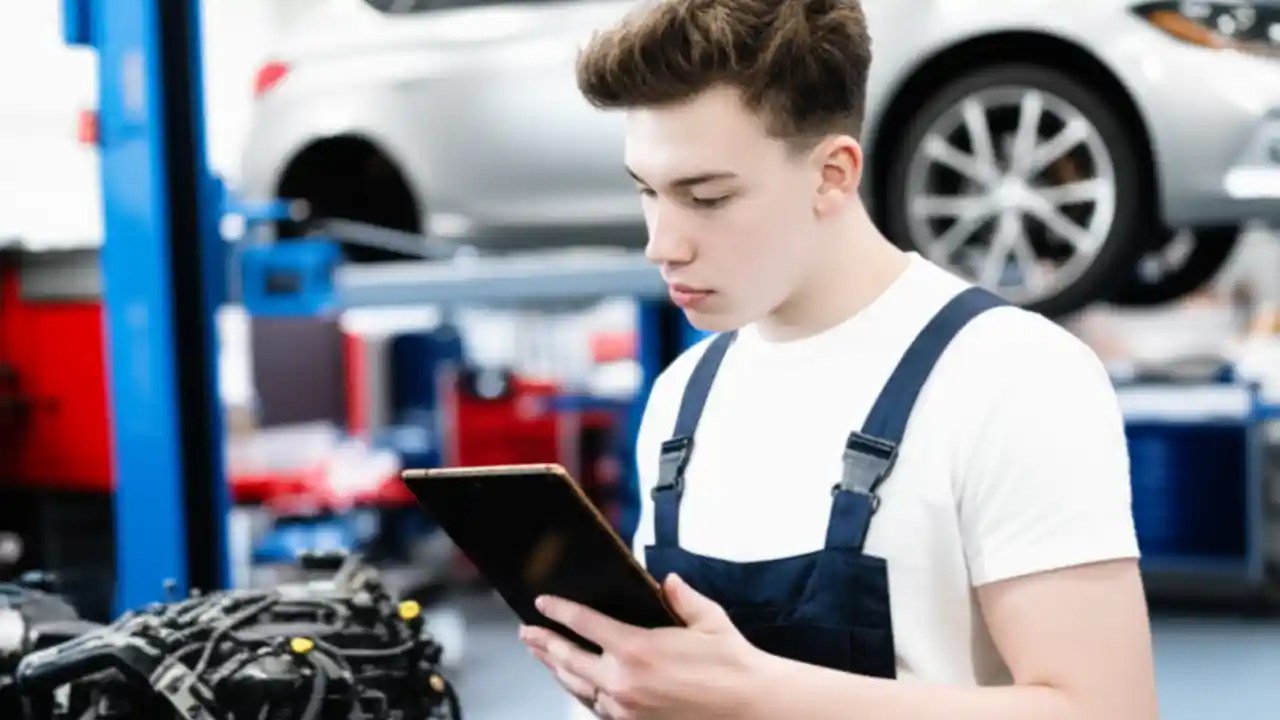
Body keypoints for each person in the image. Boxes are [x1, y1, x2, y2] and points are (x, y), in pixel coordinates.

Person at [518, 0, 1160, 718]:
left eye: (706, 197)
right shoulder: (682, 399)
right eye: (648, 192)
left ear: (833, 173)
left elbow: (1109, 710)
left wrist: (755, 696)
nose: (662, 244)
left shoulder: (1012, 375)